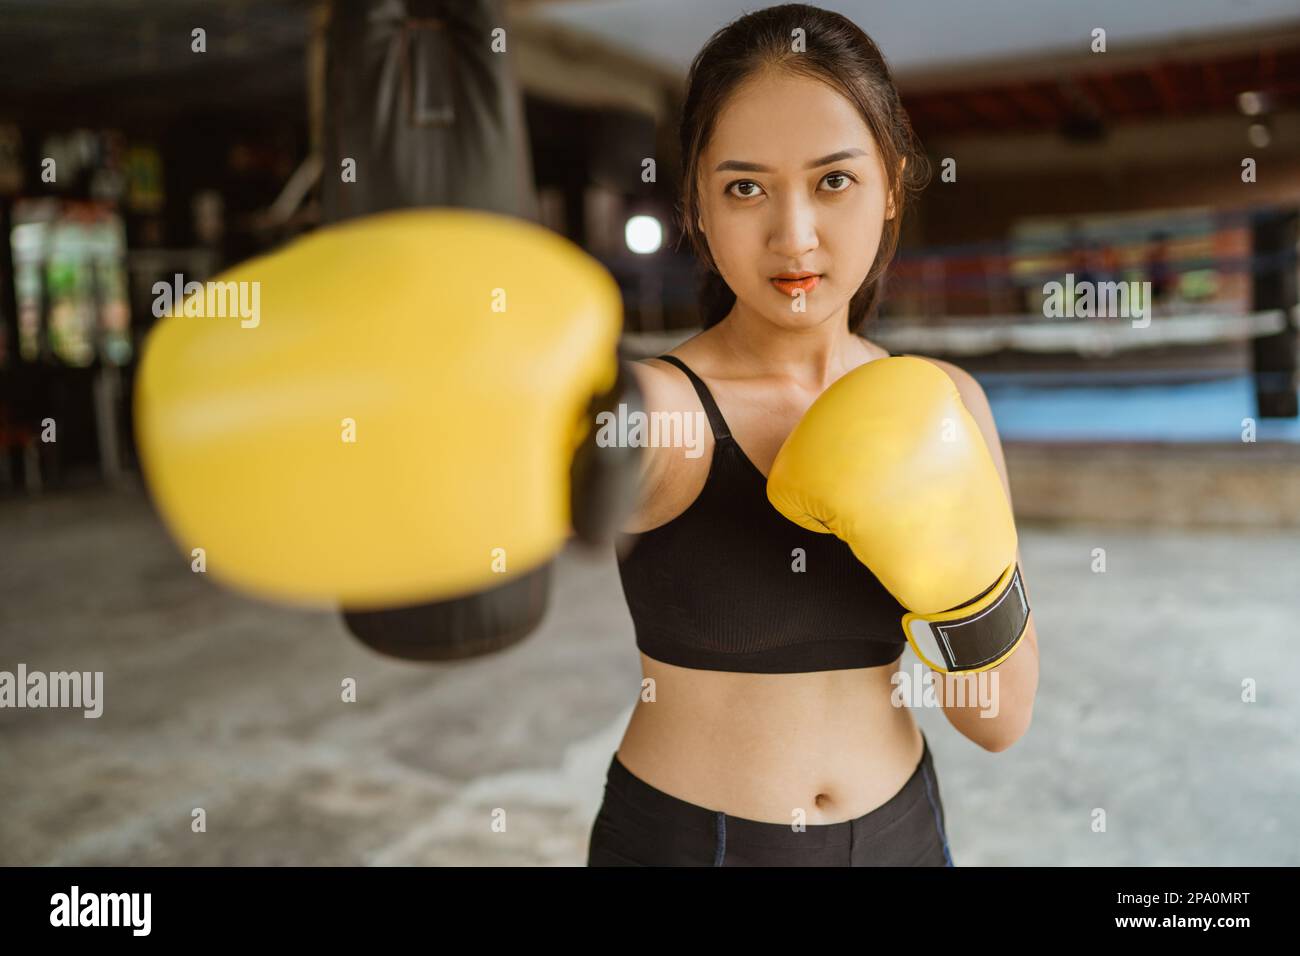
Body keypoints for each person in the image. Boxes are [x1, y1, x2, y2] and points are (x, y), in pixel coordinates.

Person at [587, 3, 1040, 867]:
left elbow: (1000, 720)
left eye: (833, 180)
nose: (793, 236)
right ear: (698, 204)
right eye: (745, 187)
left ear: (892, 183)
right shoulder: (659, 406)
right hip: (694, 844)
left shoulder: (948, 401)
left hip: (905, 833)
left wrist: (958, 585)